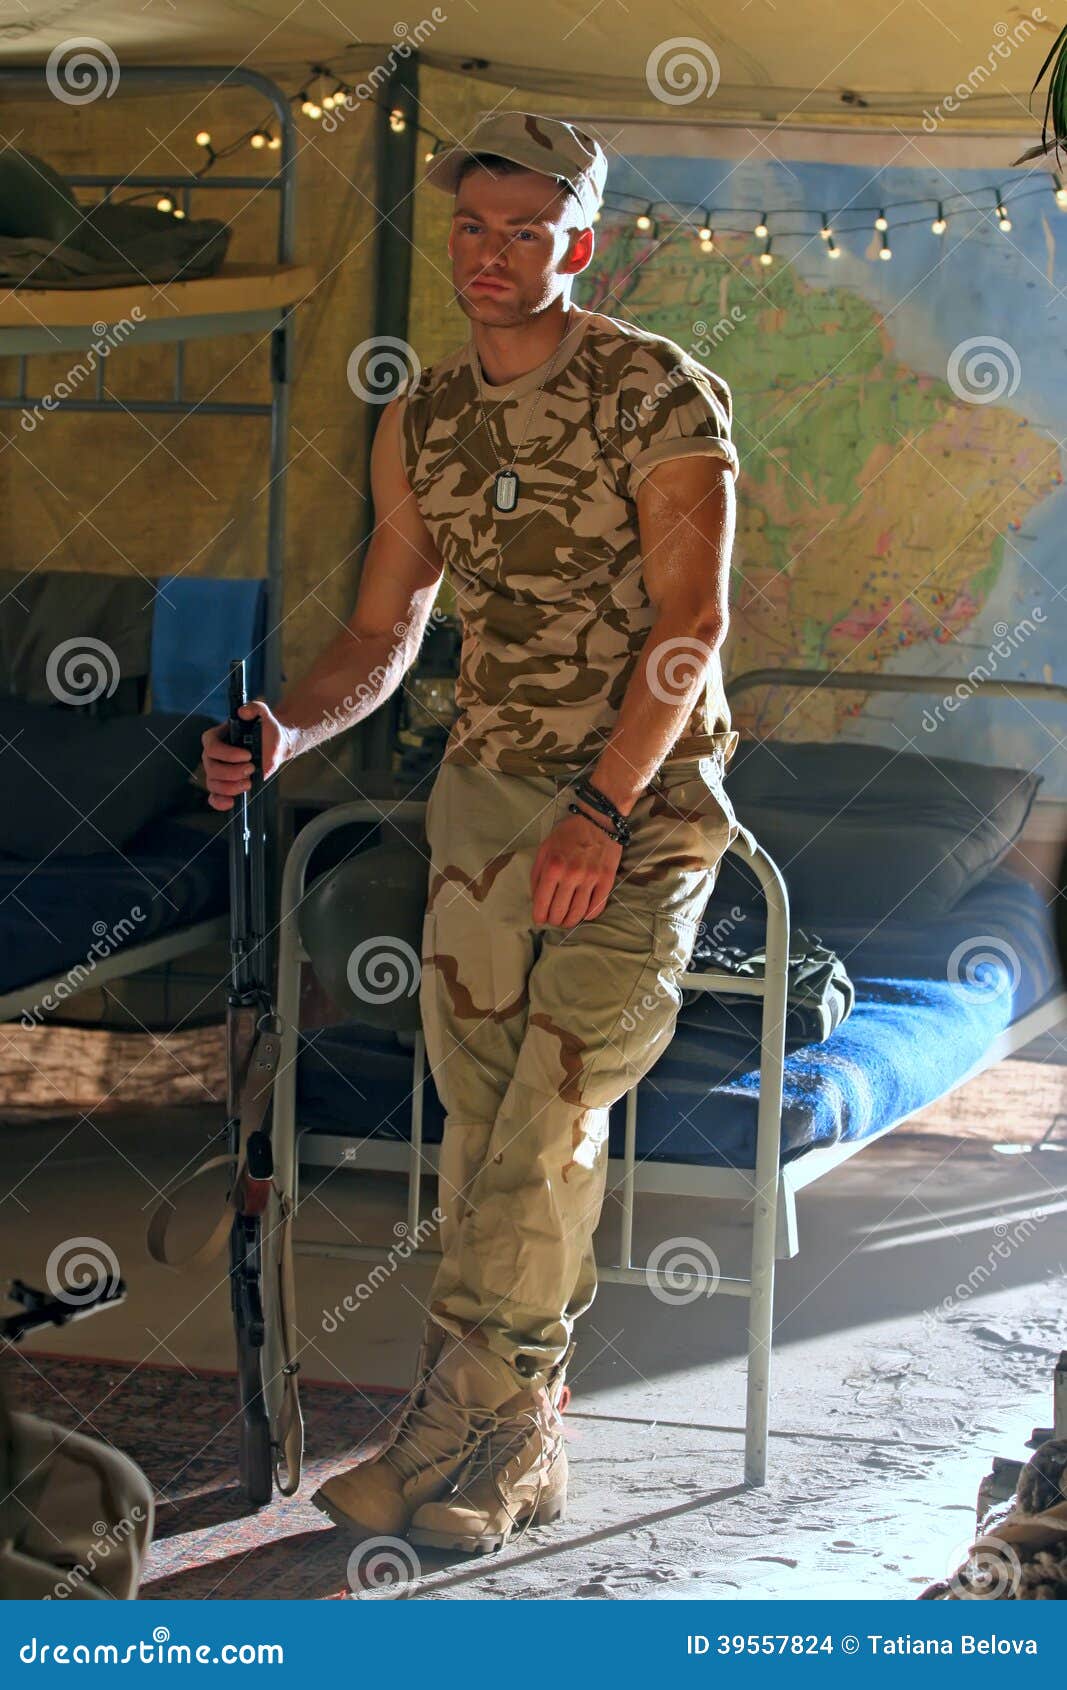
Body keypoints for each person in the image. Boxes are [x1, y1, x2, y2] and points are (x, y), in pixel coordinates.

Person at [201, 110, 743, 1556]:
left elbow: (692, 630)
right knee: (490, 1130)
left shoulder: (657, 396)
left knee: (554, 1110)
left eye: (524, 228)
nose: (491, 254)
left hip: (637, 806)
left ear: (582, 239)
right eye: (471, 227)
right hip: (486, 801)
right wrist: (285, 733)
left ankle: (453, 1428)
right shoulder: (425, 416)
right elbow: (384, 633)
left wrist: (602, 806)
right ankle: (513, 1438)